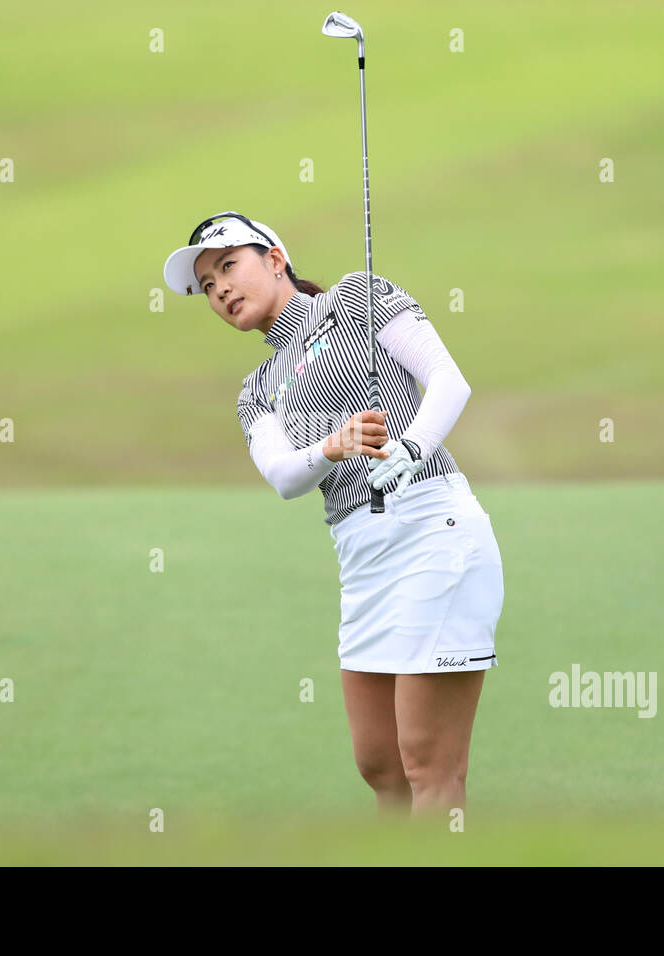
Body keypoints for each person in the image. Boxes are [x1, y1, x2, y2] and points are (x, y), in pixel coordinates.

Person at [163, 212, 505, 820]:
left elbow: (449, 382)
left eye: (228, 267)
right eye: (209, 287)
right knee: (381, 766)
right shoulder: (257, 388)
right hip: (363, 561)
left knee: (429, 764)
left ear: (274, 260)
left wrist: (408, 449)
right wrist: (332, 446)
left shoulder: (357, 297)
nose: (221, 290)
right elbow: (284, 476)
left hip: (432, 531)